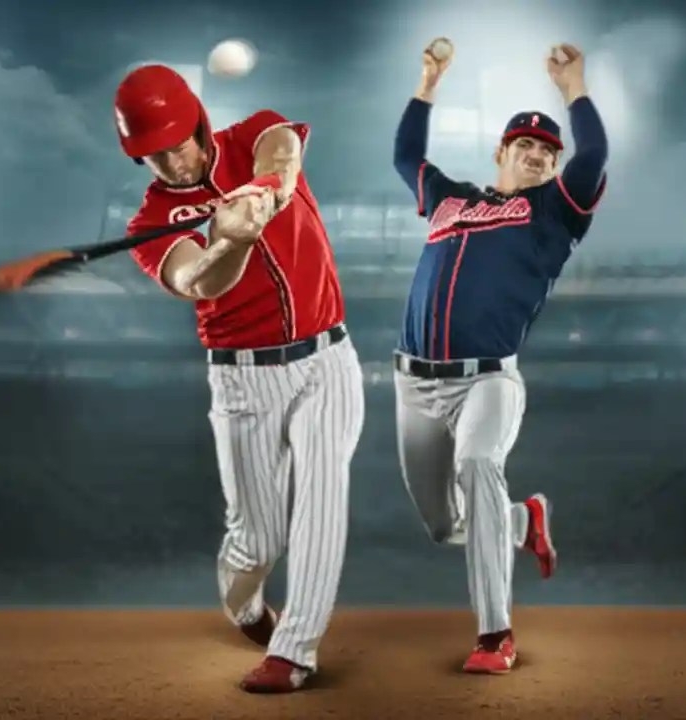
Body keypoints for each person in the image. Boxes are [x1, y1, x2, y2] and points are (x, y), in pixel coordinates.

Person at [113, 64, 365, 693]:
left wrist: (268, 191)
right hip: (244, 379)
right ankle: (246, 606)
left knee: (322, 500)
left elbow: (284, 151)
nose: (172, 163)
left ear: (199, 124)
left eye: (178, 144)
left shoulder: (253, 133)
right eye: (153, 154)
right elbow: (197, 282)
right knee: (258, 539)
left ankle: (294, 650)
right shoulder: (149, 224)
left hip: (327, 358)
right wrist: (230, 242)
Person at [390, 39, 609, 674]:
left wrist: (573, 87)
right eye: (526, 145)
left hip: (487, 380)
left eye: (547, 151)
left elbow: (593, 153)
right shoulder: (449, 199)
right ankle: (522, 519)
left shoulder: (555, 212)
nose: (538, 155)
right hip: (413, 384)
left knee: (479, 462)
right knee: (443, 525)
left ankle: (495, 636)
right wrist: (427, 83)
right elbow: (406, 156)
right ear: (501, 152)